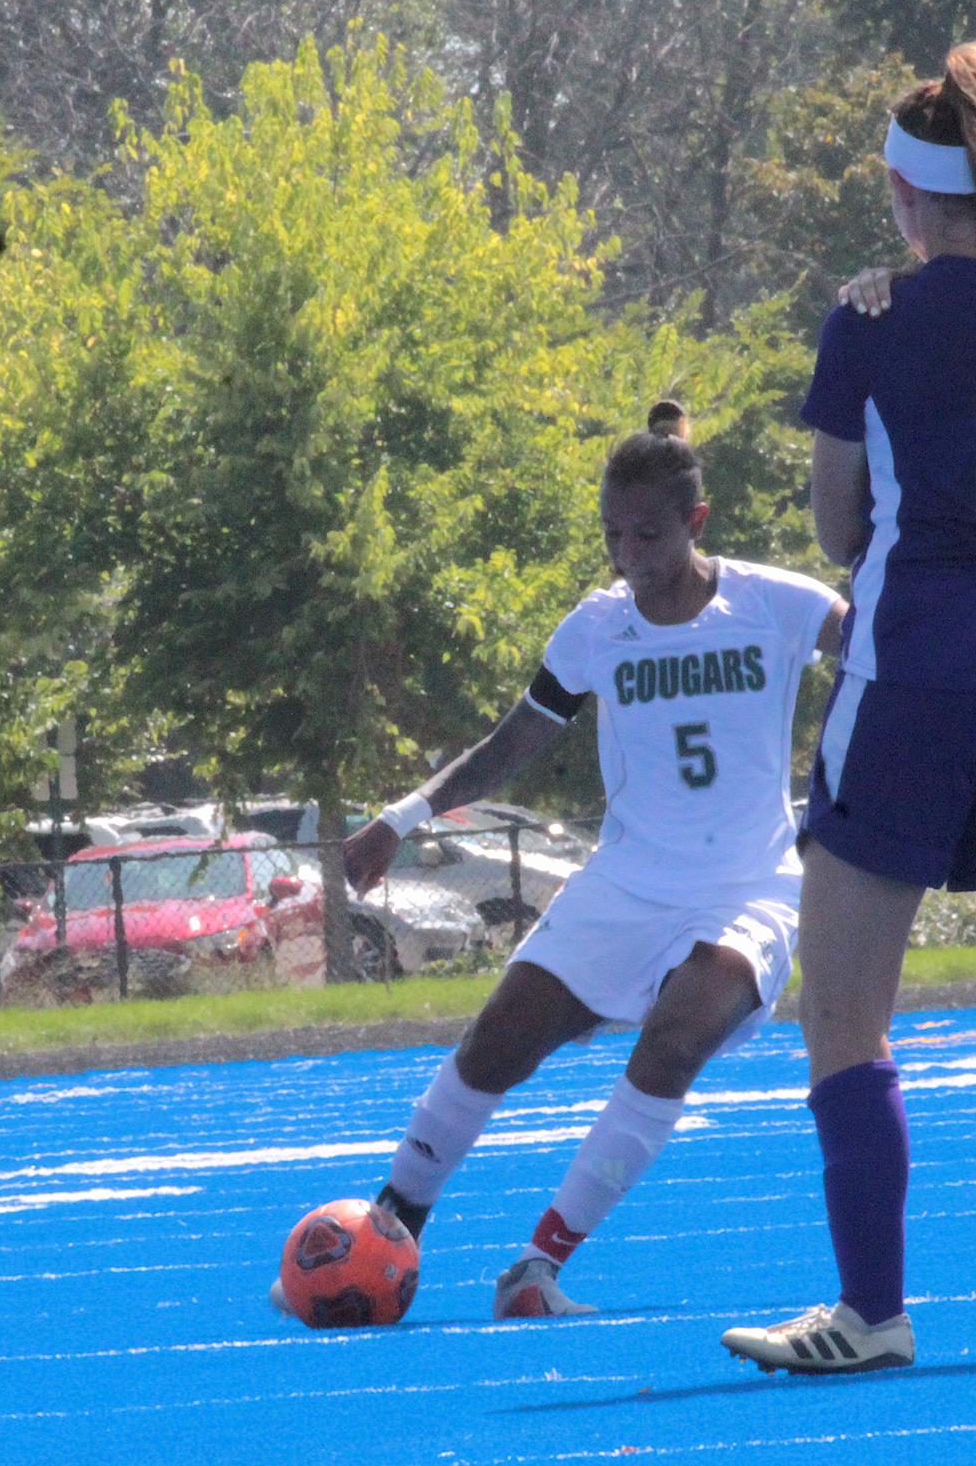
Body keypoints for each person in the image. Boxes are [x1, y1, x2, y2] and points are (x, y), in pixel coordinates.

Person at [720, 43, 976, 1375]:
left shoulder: (875, 321)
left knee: (843, 1008)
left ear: (910, 196)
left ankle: (875, 1309)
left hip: (909, 683)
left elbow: (842, 527)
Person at [327, 402, 845, 1319]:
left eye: (648, 533)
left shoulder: (775, 602)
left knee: (673, 1042)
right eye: (611, 533)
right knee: (496, 1040)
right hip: (626, 882)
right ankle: (389, 1228)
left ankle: (538, 1265)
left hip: (747, 889)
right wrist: (400, 817)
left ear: (697, 522)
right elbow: (507, 744)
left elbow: (883, 646)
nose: (627, 553)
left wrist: (855, 764)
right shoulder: (597, 627)